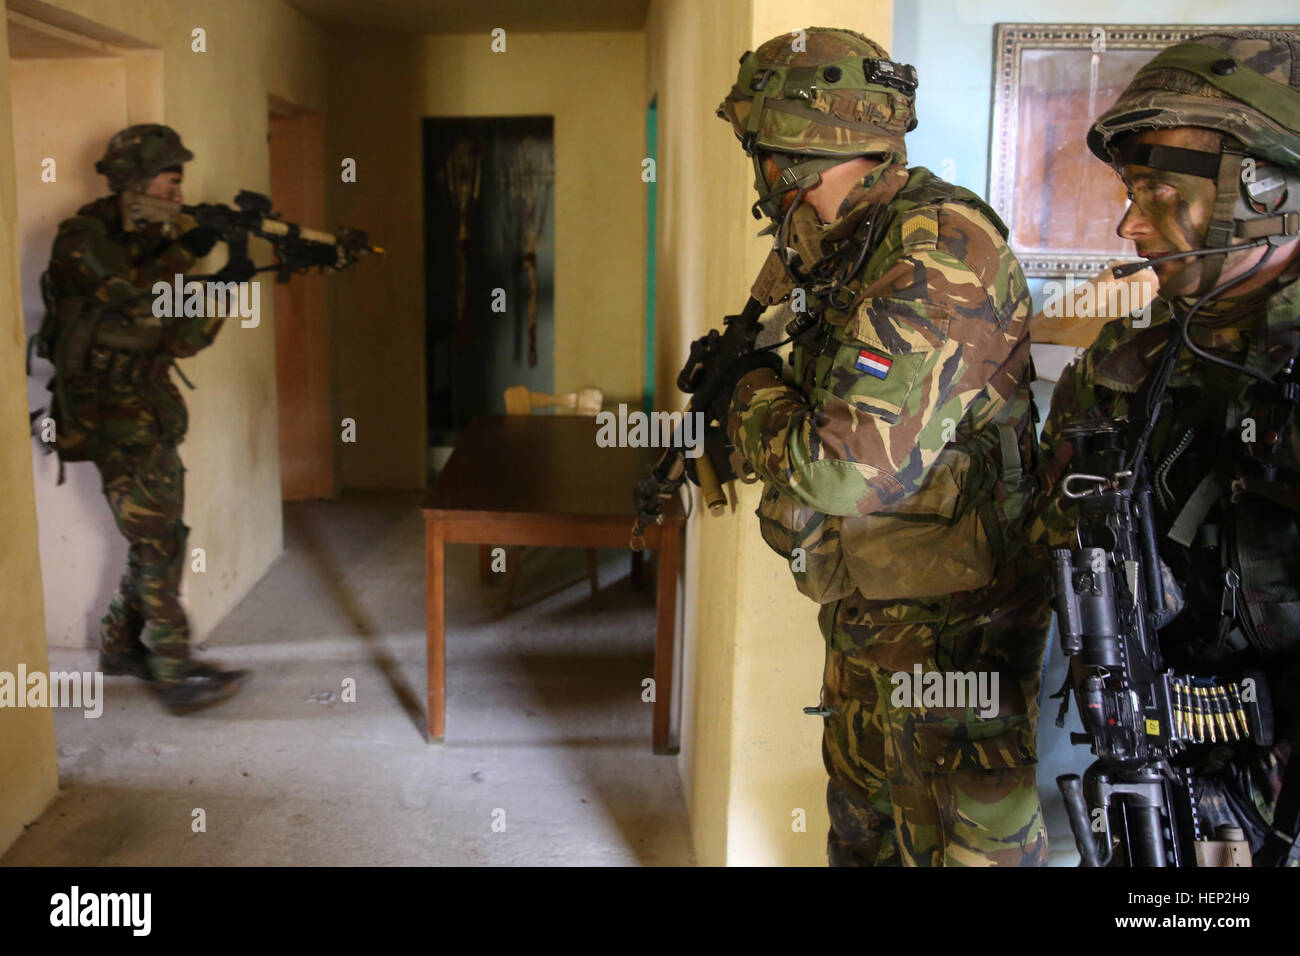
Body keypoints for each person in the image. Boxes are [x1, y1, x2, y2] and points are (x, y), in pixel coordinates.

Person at [712, 28, 1050, 865]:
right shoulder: (843, 245)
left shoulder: (939, 251)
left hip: (952, 634)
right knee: (865, 833)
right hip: (874, 606)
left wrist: (746, 392)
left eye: (756, 145)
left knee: (962, 845)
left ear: (787, 151)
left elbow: (843, 471)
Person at [1036, 31, 1300, 865]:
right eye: (1129, 189)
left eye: (1156, 190)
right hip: (1163, 779)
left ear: (1265, 186)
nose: (1126, 223)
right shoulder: (1129, 360)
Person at [37, 124, 252, 714]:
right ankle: (174, 669)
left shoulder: (151, 238)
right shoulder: (82, 238)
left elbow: (179, 338)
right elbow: (135, 295)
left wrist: (226, 283)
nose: (179, 192)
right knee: (158, 536)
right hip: (105, 412)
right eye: (172, 178)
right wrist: (201, 253)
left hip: (146, 411)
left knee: (160, 533)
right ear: (137, 180)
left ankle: (118, 647)